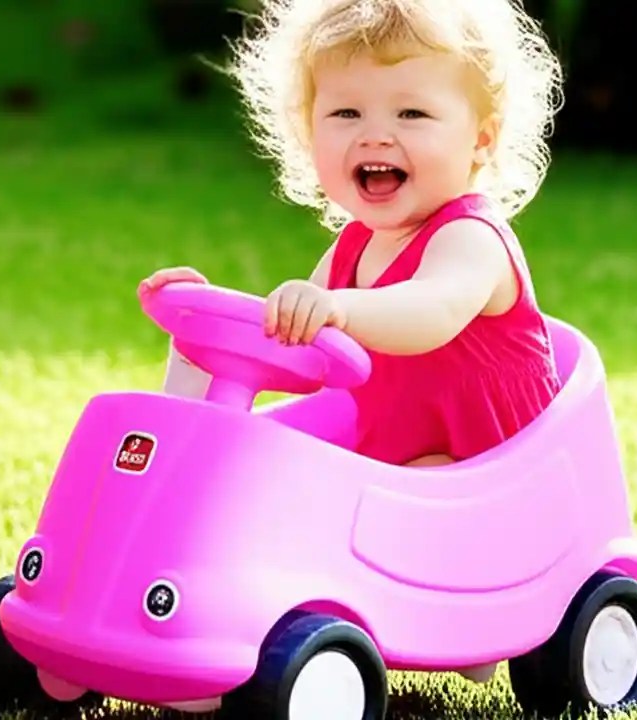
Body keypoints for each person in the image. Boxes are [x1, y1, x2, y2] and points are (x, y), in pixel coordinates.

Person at [139, 0, 564, 473]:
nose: (375, 135)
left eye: (411, 114)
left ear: (481, 140)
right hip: (395, 467)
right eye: (346, 113)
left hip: (493, 470)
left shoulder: (471, 237)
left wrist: (338, 309)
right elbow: (295, 352)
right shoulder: (353, 249)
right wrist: (205, 337)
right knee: (256, 471)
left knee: (404, 481)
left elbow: (432, 310)